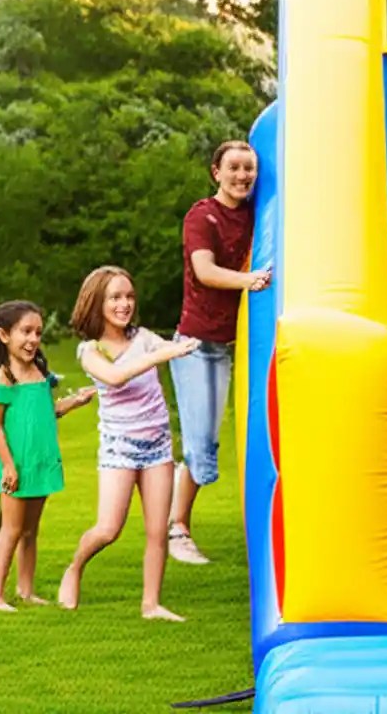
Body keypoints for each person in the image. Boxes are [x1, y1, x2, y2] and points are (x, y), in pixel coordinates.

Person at [57, 267, 200, 621]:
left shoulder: (144, 337)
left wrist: (185, 346)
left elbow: (170, 348)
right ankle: (74, 567)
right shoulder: (90, 350)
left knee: (157, 531)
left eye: (129, 297)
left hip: (157, 446)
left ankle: (151, 604)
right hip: (119, 448)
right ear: (97, 303)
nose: (125, 304)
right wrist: (159, 355)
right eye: (115, 297)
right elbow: (116, 378)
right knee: (108, 529)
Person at [168, 140, 269, 565]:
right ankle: (176, 530)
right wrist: (251, 280)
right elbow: (205, 272)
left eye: (249, 168)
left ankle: (174, 524)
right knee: (201, 448)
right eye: (234, 168)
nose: (243, 175)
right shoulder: (201, 216)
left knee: (208, 445)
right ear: (216, 172)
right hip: (196, 345)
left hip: (234, 345)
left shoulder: (253, 214)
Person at [0, 301, 96, 612]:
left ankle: (26, 589)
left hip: (41, 461)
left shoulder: (39, 371)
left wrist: (75, 401)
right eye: (26, 332)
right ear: (4, 335)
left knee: (31, 531)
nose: (33, 339)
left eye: (37, 332)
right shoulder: (3, 376)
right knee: (12, 529)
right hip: (16, 465)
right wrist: (8, 465)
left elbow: (49, 411)